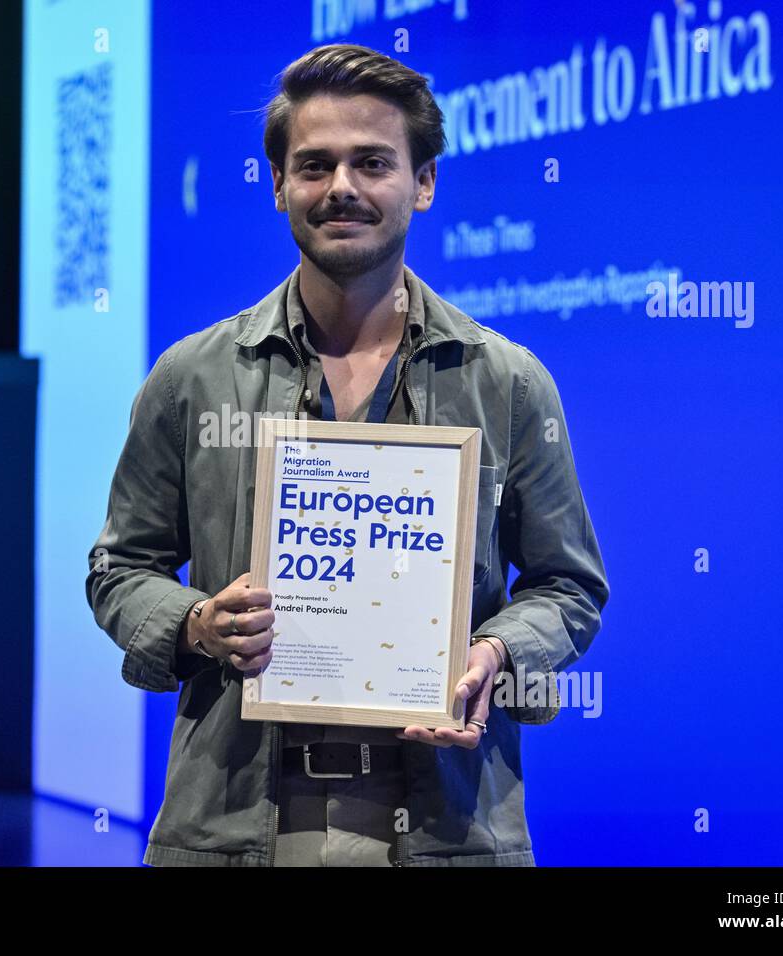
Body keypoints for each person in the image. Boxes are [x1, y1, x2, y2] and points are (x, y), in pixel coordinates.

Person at [86, 43, 609, 866]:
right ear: (278, 186)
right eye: (314, 165)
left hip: (448, 829)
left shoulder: (507, 383)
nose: (341, 189)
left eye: (372, 163)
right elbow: (119, 570)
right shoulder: (191, 377)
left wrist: (495, 652)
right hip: (234, 830)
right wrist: (194, 622)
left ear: (423, 183)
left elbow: (569, 586)